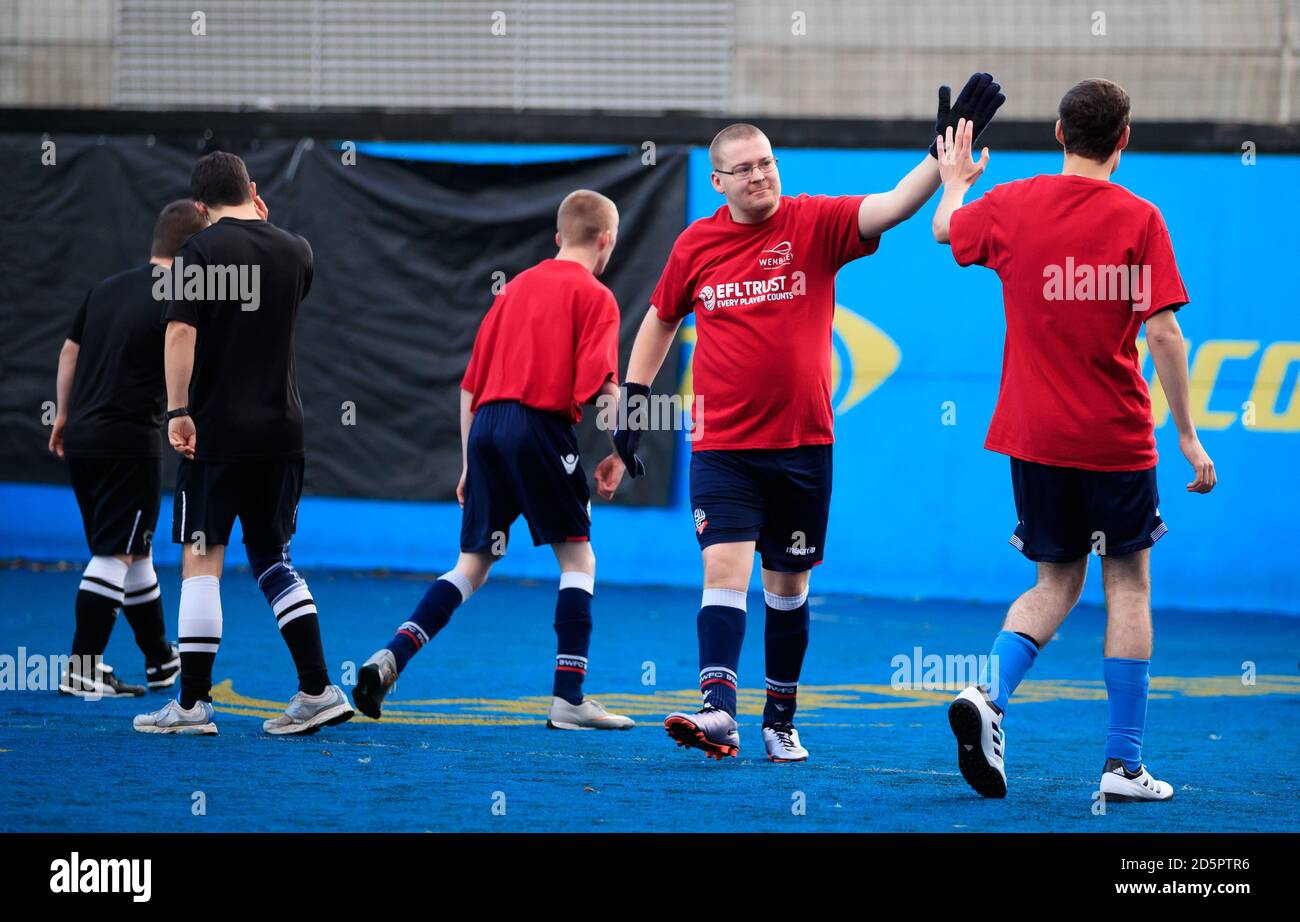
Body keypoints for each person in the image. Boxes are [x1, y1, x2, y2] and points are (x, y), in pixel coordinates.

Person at [601, 75, 1006, 761]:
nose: (760, 175)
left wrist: (939, 157)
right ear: (719, 181)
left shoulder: (814, 222)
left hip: (802, 447)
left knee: (787, 589)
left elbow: (892, 208)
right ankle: (719, 711)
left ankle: (779, 718)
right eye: (745, 169)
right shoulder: (695, 246)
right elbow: (661, 318)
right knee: (723, 571)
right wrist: (635, 400)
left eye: (768, 163)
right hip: (725, 447)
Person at [932, 79, 1216, 801]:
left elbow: (944, 230)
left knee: (1053, 582)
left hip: (1033, 437)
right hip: (1115, 438)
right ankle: (1122, 766)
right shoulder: (1140, 218)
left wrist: (956, 180)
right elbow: (1163, 332)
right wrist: (1186, 435)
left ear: (1059, 131)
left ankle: (988, 695)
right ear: (1125, 139)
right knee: (1127, 583)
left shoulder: (1011, 203)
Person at [352, 190, 634, 732]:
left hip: (485, 429)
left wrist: (467, 462)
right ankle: (568, 699)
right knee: (579, 563)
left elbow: (470, 387)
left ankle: (391, 656)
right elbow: (602, 390)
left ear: (557, 238)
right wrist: (621, 449)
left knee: (471, 566)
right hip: (540, 429)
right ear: (606, 240)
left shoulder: (513, 289)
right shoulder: (597, 296)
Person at [133, 151, 353, 736]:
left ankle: (192, 705)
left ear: (200, 207)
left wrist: (178, 410)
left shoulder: (198, 250)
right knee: (273, 559)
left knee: (202, 559)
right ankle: (316, 689)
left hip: (216, 432)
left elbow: (182, 329)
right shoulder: (298, 250)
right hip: (283, 430)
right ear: (254, 189)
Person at [49, 200, 206, 698]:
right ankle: (81, 668)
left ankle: (160, 659)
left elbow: (69, 351)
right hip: (127, 440)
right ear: (191, 251)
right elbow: (187, 351)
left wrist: (63, 415)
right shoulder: (180, 295)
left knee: (135, 550)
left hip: (83, 438)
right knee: (115, 551)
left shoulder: (105, 288)